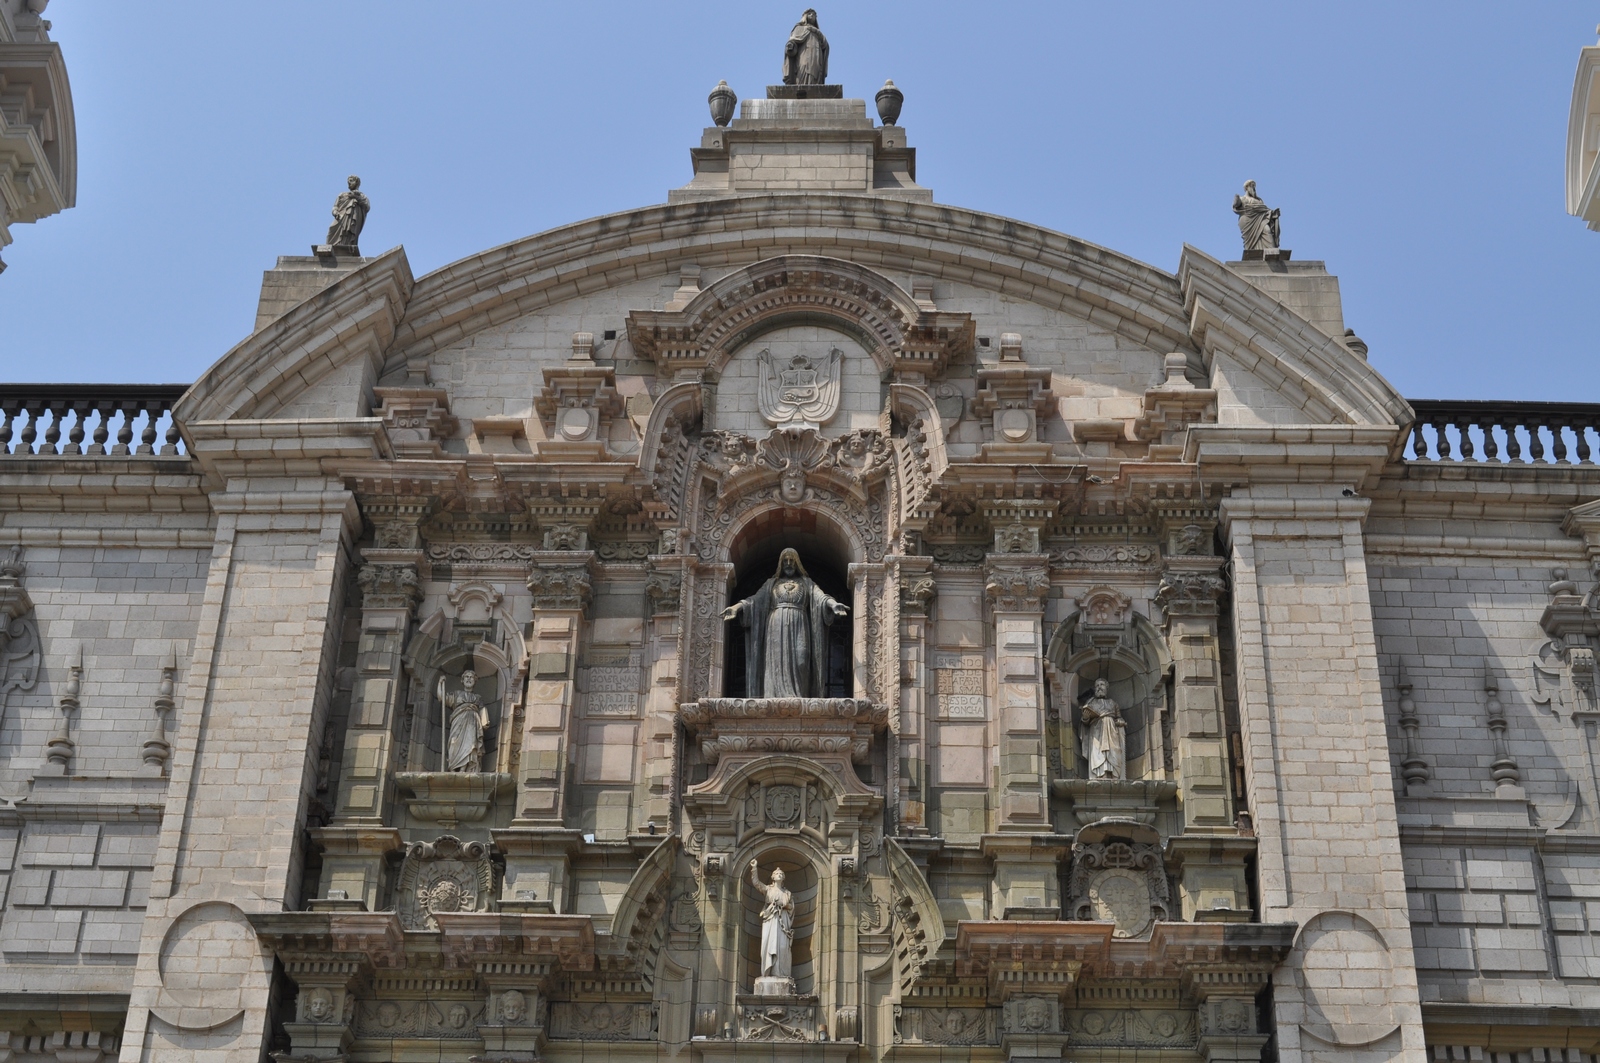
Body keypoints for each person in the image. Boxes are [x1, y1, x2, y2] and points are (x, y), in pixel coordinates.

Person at [723, 549, 847, 698]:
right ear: (781, 564)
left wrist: (833, 605)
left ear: (797, 564)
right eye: (785, 561)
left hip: (800, 623)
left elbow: (821, 597)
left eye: (792, 561)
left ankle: (800, 696)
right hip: (776, 624)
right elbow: (755, 601)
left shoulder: (807, 583)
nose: (788, 564)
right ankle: (774, 696)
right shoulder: (771, 584)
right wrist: (736, 607)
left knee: (801, 660)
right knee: (775, 663)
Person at [750, 860, 794, 984]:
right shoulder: (768, 889)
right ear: (772, 877)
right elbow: (756, 883)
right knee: (768, 945)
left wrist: (784, 905)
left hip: (783, 922)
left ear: (783, 877)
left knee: (782, 946)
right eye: (777, 873)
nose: (779, 874)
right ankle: (767, 972)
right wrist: (754, 868)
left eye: (781, 873)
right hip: (770, 920)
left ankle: (781, 973)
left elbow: (791, 907)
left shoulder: (787, 893)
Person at [437, 667, 490, 772]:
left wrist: (484, 722)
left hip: (473, 722)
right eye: (467, 677)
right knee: (454, 742)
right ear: (462, 680)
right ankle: (453, 767)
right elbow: (441, 697)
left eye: (471, 677)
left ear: (475, 681)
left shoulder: (478, 698)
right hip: (458, 721)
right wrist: (440, 683)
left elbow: (483, 711)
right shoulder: (456, 694)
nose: (469, 679)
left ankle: (464, 768)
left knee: (470, 744)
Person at [1080, 677, 1127, 780]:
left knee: (1113, 752)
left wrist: (1120, 721)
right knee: (1098, 753)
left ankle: (1114, 774)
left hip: (1112, 731)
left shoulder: (1113, 703)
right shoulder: (1090, 703)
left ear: (1106, 688)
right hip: (1096, 731)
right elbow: (1085, 721)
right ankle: (1100, 774)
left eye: (1101, 685)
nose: (1099, 688)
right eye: (1097, 686)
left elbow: (1119, 717)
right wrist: (1086, 718)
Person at [783, 10, 829, 86]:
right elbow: (792, 40)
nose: (812, 15)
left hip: (816, 55)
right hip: (803, 54)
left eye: (814, 14)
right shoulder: (799, 28)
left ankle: (815, 86)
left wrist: (818, 33)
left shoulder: (818, 33)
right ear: (805, 16)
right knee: (803, 67)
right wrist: (791, 46)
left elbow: (825, 46)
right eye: (810, 13)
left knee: (815, 69)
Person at [1232, 180, 1280, 252]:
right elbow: (1237, 205)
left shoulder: (1259, 200)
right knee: (1258, 235)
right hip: (1248, 221)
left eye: (1254, 187)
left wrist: (1273, 213)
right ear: (1247, 187)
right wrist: (1236, 199)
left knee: (1267, 230)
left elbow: (1264, 210)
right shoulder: (1242, 199)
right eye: (1252, 186)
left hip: (1261, 219)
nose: (1254, 188)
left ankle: (1272, 250)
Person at [326, 175, 370, 250]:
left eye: (351, 181)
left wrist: (356, 197)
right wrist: (335, 211)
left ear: (357, 182)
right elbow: (335, 206)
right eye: (348, 182)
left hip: (353, 219)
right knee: (331, 229)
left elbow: (367, 206)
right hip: (341, 217)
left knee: (349, 232)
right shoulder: (342, 195)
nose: (349, 183)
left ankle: (346, 248)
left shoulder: (362, 196)